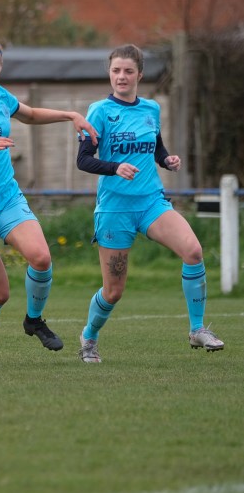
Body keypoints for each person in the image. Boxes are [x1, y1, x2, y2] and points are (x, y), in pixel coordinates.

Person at [0, 33, 99, 365]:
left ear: (0, 66)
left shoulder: (1, 97)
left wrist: (70, 115)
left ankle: (34, 320)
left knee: (41, 258)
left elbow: (31, 114)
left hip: (7, 197)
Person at [75, 44, 224, 363]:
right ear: (109, 73)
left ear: (139, 75)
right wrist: (115, 167)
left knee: (193, 251)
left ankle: (197, 329)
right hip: (114, 209)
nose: (121, 76)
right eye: (116, 70)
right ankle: (89, 337)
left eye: (128, 71)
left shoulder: (151, 109)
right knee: (113, 291)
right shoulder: (99, 111)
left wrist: (166, 160)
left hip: (151, 203)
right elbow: (83, 160)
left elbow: (155, 147)